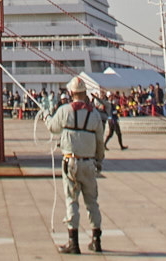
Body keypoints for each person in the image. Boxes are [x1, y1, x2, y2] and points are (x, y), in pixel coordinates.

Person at [47, 76, 108, 254]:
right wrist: (99, 161)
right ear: (85, 93)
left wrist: (45, 116)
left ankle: (73, 242)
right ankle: (96, 240)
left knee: (71, 201)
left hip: (70, 162)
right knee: (92, 202)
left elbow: (52, 127)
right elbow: (100, 142)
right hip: (89, 163)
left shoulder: (64, 111)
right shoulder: (95, 114)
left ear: (71, 92)